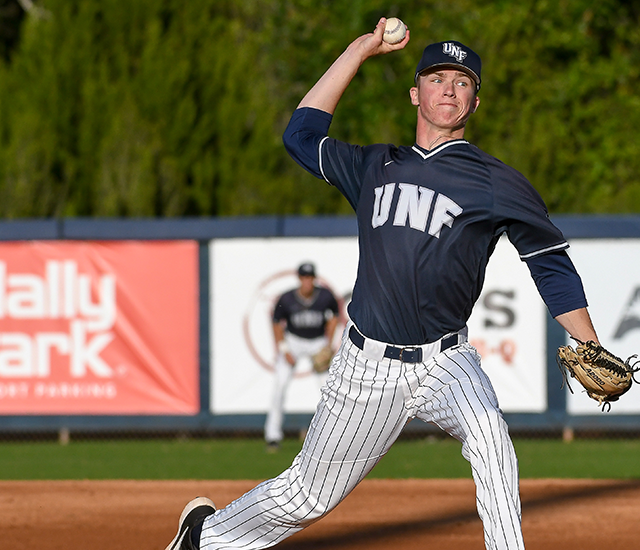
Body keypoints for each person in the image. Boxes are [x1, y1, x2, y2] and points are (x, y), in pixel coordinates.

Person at [164, 18, 602, 550]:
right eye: (438, 78)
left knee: (491, 439)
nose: (450, 88)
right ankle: (204, 538)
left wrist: (588, 342)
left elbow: (549, 261)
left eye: (463, 81)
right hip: (366, 366)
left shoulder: (497, 182)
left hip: (447, 359)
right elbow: (300, 136)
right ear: (415, 93)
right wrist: (359, 50)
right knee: (307, 496)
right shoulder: (374, 165)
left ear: (476, 102)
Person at [264, 261, 340, 452]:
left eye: (310, 277)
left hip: (316, 342)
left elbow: (334, 317)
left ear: (314, 278)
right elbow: (276, 322)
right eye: (304, 277)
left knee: (328, 388)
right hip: (293, 341)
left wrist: (327, 345)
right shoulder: (288, 298)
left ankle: (331, 435)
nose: (307, 281)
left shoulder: (324, 296)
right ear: (299, 278)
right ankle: (272, 436)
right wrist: (284, 349)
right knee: (279, 387)